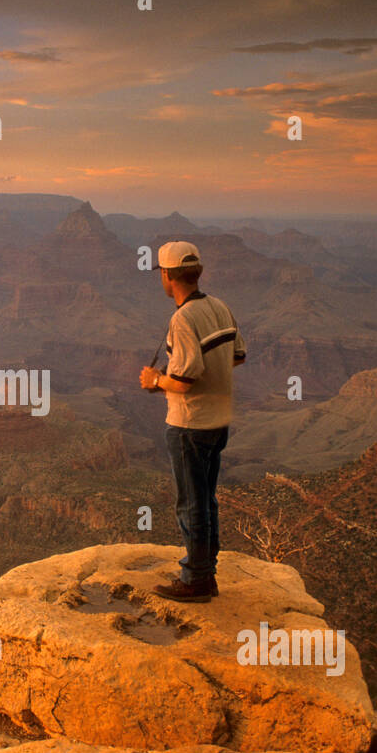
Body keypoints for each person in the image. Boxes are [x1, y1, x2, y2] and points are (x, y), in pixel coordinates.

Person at [139, 241, 246, 602]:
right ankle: (206, 573)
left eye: (162, 275)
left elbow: (184, 380)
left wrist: (155, 381)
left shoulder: (182, 318)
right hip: (219, 422)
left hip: (190, 424)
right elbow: (237, 356)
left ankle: (195, 580)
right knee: (207, 499)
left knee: (191, 503)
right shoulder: (219, 306)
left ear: (168, 276)